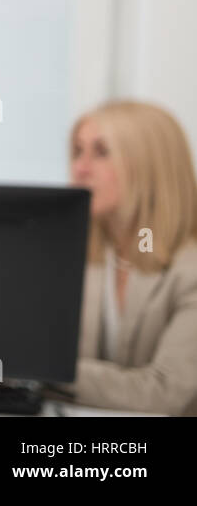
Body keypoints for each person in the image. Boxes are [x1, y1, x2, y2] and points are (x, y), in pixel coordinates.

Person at [61, 99, 197, 415]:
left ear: (150, 167)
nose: (79, 169)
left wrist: (45, 373)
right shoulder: (85, 258)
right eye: (78, 151)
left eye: (101, 153)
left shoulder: (189, 271)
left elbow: (163, 392)